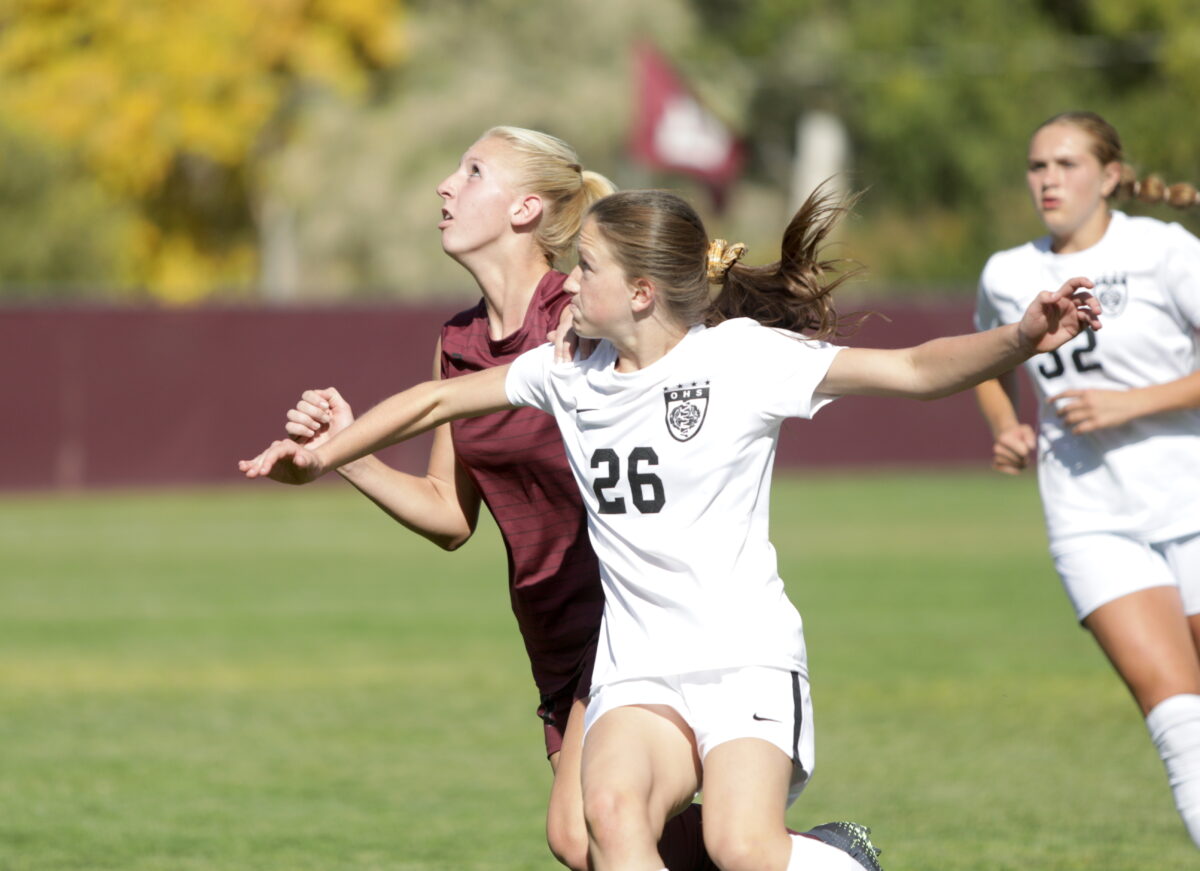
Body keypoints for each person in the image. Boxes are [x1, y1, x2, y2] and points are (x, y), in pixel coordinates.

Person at [243, 187, 1100, 871]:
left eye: (586, 268)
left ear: (641, 292)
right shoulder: (563, 372)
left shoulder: (741, 359)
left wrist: (1023, 336)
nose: (568, 285)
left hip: (745, 655)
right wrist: (320, 460)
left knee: (742, 849)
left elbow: (914, 369)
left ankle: (836, 858)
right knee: (608, 822)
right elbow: (434, 399)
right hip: (637, 665)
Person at [278, 126, 727, 871]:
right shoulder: (457, 342)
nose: (445, 187)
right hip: (551, 632)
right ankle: (807, 857)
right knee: (602, 844)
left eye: (472, 171)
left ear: (525, 209)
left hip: (630, 614)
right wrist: (346, 452)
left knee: (581, 832)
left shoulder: (587, 315)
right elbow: (449, 514)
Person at [973, 110, 1200, 847]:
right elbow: (988, 359)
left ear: (1109, 176)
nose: (1048, 180)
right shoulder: (1009, 273)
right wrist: (1006, 426)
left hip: (1190, 502)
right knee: (1177, 717)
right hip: (1091, 518)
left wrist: (1138, 400)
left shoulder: (1165, 251)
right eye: (1038, 166)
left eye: (1067, 165)